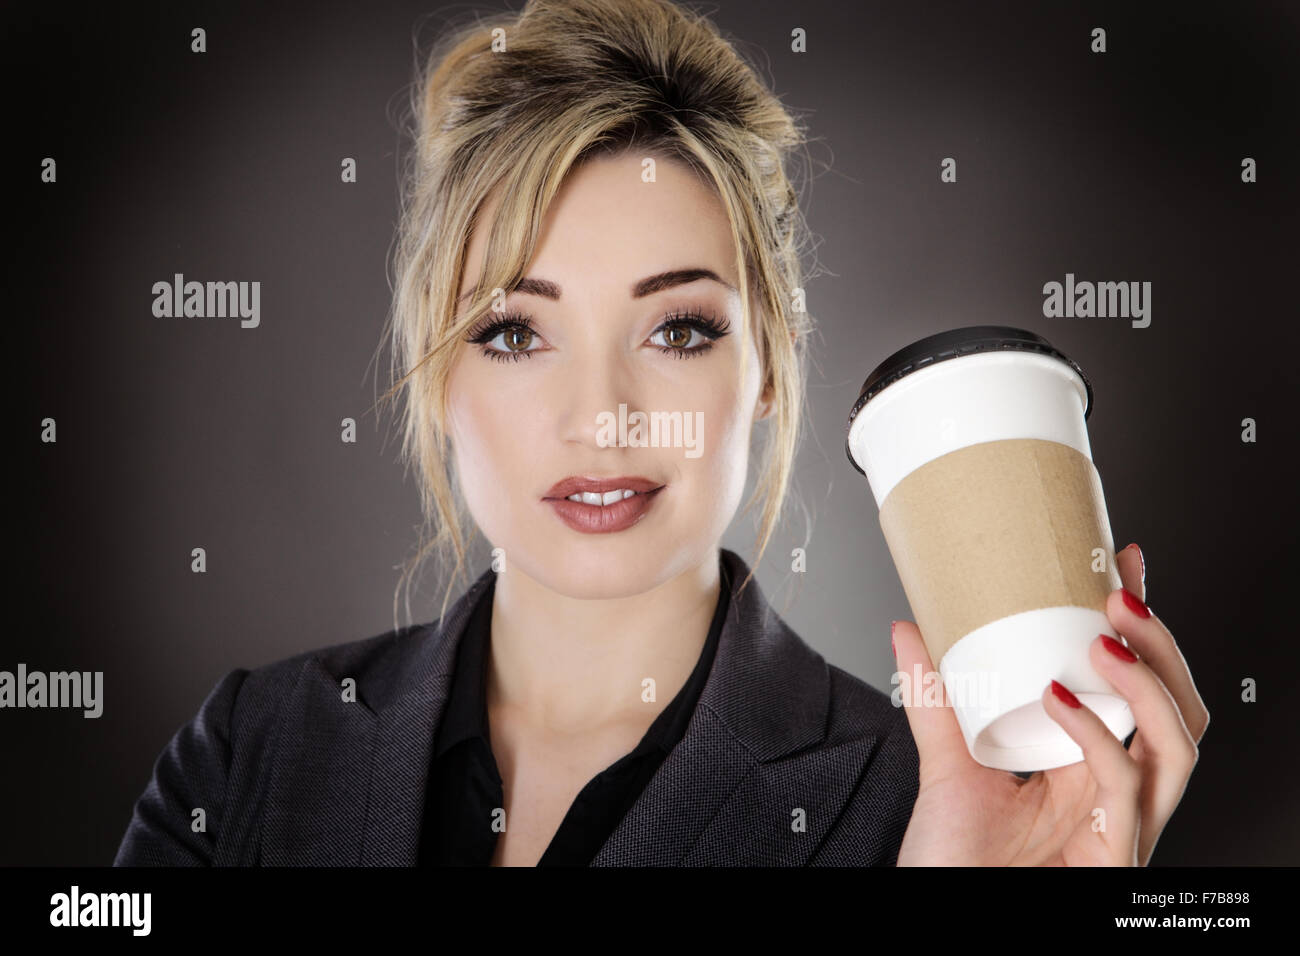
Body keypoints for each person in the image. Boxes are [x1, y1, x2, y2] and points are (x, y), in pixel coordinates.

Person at [113, 0, 1208, 867]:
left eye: (678, 326)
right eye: (512, 331)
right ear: (437, 370)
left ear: (771, 363)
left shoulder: (931, 809)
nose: (603, 413)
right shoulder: (252, 748)